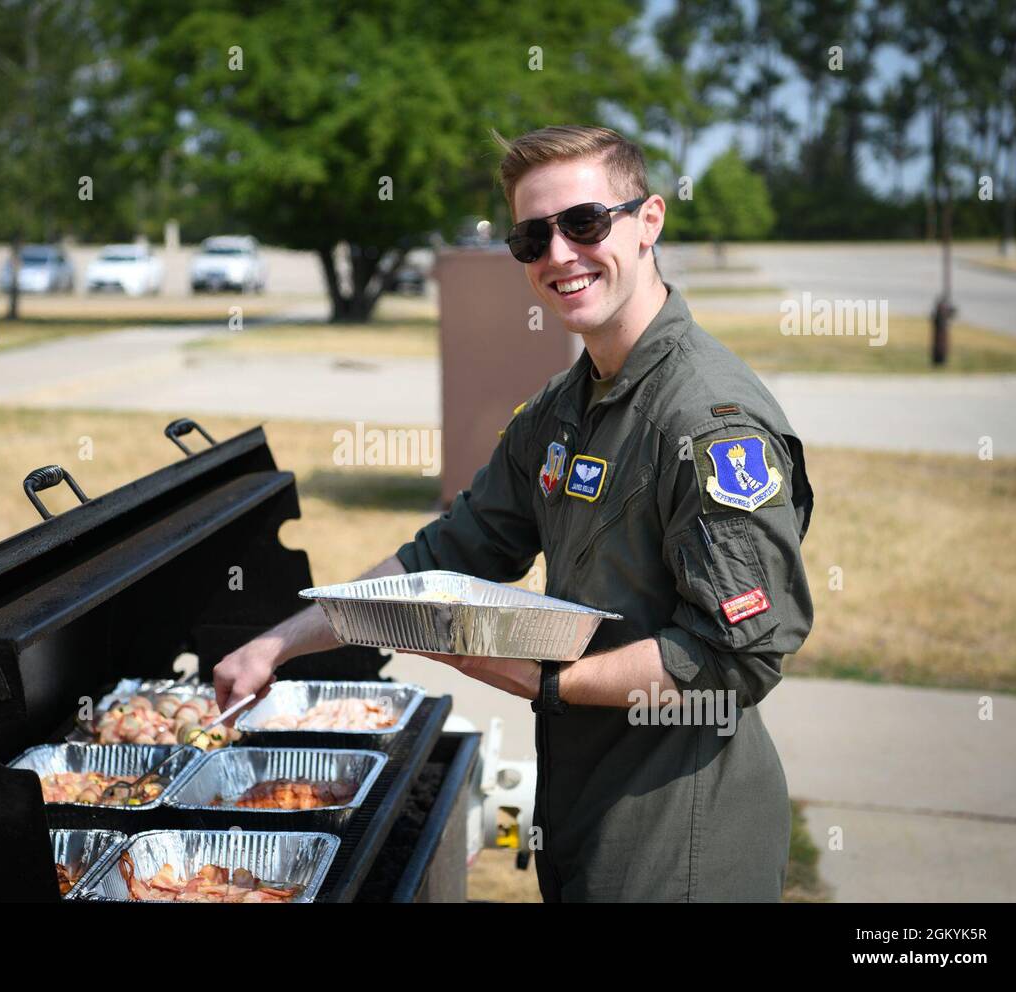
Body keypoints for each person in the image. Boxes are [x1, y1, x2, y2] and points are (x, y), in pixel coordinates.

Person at [214, 125, 814, 902]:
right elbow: (448, 554)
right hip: (580, 811)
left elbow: (739, 656)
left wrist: (547, 681)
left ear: (650, 222)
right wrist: (280, 642)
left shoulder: (706, 421)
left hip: (680, 843)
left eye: (585, 224)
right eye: (533, 236)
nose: (559, 254)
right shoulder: (562, 410)